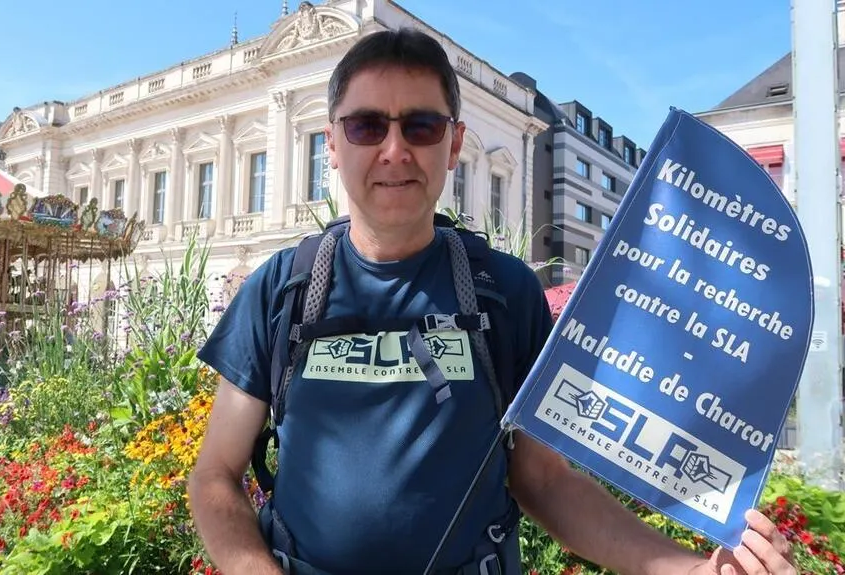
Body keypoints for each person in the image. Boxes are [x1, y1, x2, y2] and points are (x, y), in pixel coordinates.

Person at [188, 27, 796, 575]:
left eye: (420, 126)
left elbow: (545, 480)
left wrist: (687, 570)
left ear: (453, 145)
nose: (394, 150)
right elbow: (216, 473)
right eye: (367, 125)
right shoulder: (282, 287)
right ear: (334, 144)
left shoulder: (506, 291)